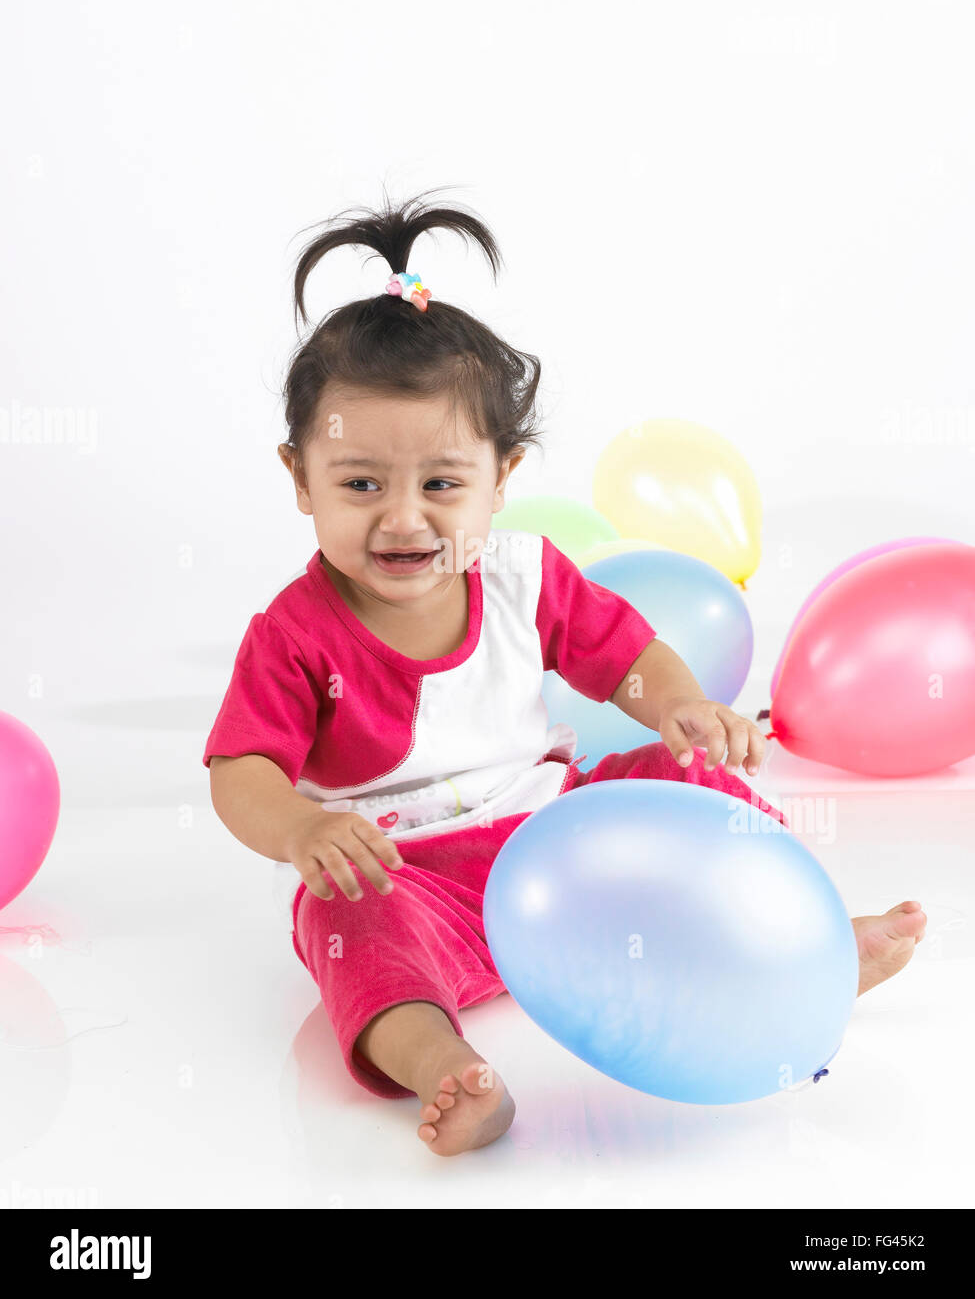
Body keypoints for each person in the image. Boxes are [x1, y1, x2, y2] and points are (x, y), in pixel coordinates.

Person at [204, 189, 926, 1157]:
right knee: (346, 925)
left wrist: (680, 709)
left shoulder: (522, 575)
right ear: (302, 478)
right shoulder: (294, 634)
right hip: (405, 871)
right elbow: (239, 770)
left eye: (443, 484)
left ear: (503, 478)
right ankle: (448, 1069)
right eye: (361, 483)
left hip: (564, 837)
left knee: (693, 782)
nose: (405, 518)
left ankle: (811, 946)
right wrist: (303, 829)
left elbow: (626, 658)